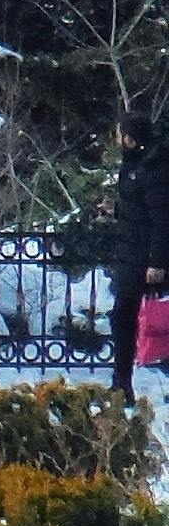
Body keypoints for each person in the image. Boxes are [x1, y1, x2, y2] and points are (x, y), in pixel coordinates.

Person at [112, 109, 169, 391]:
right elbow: (136, 207)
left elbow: (161, 217)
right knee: (123, 318)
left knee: (146, 320)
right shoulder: (134, 164)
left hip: (144, 258)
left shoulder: (153, 168)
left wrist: (157, 262)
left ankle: (123, 383)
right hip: (131, 253)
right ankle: (121, 383)